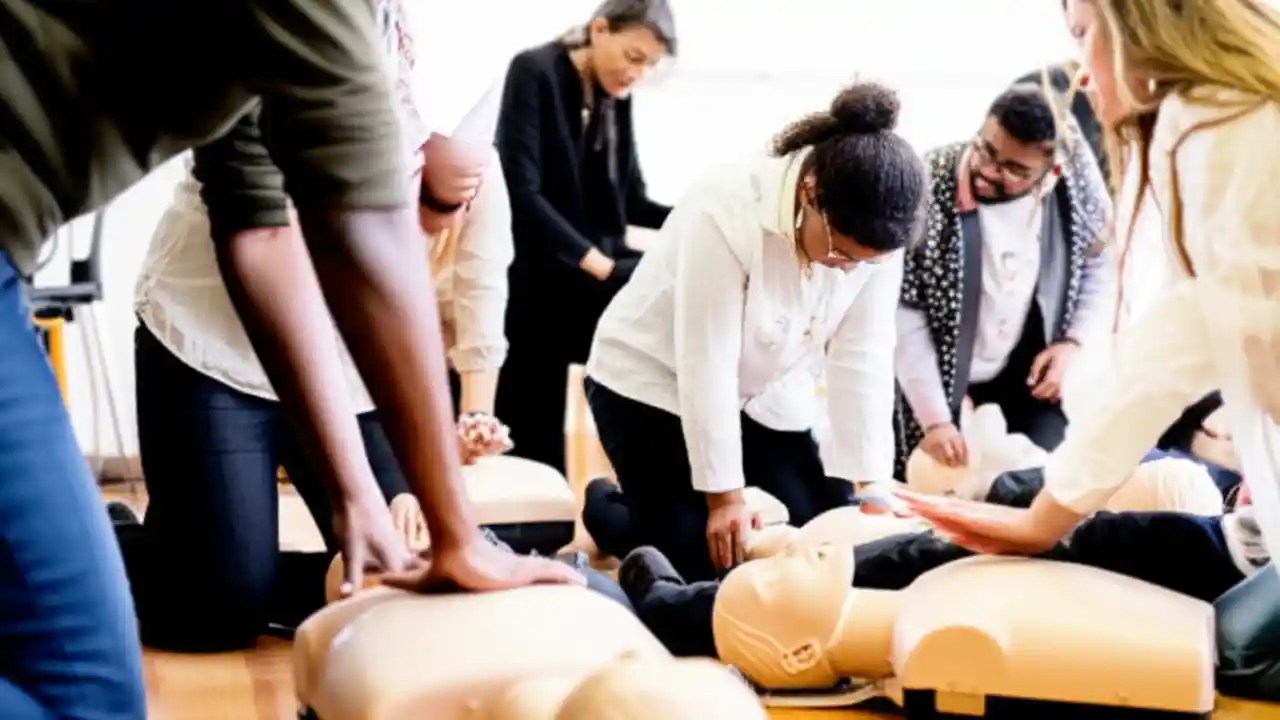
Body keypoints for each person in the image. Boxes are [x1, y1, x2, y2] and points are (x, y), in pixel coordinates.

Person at [0, 1, 576, 716]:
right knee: (191, 622)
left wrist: (366, 497)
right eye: (428, 201)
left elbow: (257, 223)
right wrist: (454, 529)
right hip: (203, 341)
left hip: (297, 347)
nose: (436, 223)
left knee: (90, 689)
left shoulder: (394, 46)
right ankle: (127, 541)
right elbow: (345, 231)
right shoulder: (326, 25)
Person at [113, 0, 518, 651]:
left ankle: (254, 567)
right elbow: (279, 234)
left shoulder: (474, 33)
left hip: (353, 357)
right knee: (213, 613)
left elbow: (451, 223)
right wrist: (356, 490)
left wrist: (460, 444)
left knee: (410, 560)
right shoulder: (286, 24)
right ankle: (121, 541)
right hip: (217, 341)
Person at [899, 0, 1280, 576]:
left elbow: (1169, 350)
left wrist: (1043, 520)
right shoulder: (1224, 119)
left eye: (1082, 35)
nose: (1078, 71)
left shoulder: (1222, 132)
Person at [583, 82, 927, 583]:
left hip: (765, 388)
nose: (849, 271)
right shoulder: (725, 205)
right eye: (841, 255)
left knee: (823, 535)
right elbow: (708, 360)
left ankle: (657, 508)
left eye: (863, 263)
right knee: (706, 558)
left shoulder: (879, 232)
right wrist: (725, 496)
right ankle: (607, 511)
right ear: (812, 194)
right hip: (651, 382)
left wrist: (872, 482)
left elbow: (864, 354)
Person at [494, 0, 676, 473]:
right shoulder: (535, 71)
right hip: (544, 271)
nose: (638, 73)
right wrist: (589, 258)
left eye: (650, 66)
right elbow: (521, 189)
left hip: (596, 269)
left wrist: (695, 217)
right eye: (633, 57)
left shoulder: (616, 95)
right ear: (599, 29)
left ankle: (656, 486)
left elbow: (633, 200)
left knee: (673, 293)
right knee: (533, 410)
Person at [894, 84, 1112, 477]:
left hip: (1026, 365)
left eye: (1015, 170)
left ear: (1051, 173)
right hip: (932, 376)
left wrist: (1073, 342)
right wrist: (934, 418)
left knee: (1042, 478)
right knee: (934, 483)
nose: (988, 171)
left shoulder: (1075, 184)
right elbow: (903, 316)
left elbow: (1099, 260)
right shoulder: (927, 186)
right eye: (986, 149)